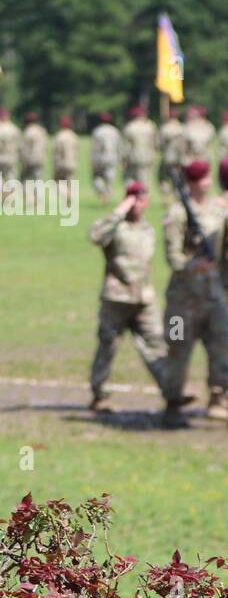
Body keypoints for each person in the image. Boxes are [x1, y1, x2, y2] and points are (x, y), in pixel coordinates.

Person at [85, 181, 169, 421]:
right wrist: (119, 211)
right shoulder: (115, 228)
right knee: (108, 346)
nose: (138, 205)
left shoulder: (148, 230)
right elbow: (95, 235)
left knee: (157, 345)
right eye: (134, 199)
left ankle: (171, 392)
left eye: (142, 200)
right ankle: (100, 394)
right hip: (116, 297)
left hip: (143, 298)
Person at [159, 159, 228, 423]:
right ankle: (173, 401)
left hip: (213, 295)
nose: (207, 183)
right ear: (190, 182)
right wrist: (192, 265)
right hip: (182, 301)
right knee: (177, 348)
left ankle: (218, 397)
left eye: (208, 178)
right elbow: (172, 256)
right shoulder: (177, 213)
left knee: (222, 345)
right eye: (202, 179)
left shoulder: (217, 210)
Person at [90, 111, 121, 202]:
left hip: (100, 158)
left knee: (96, 178)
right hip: (112, 157)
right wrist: (120, 159)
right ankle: (108, 192)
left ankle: (102, 190)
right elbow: (118, 146)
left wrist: (92, 160)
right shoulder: (115, 131)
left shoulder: (97, 131)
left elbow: (95, 148)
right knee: (109, 177)